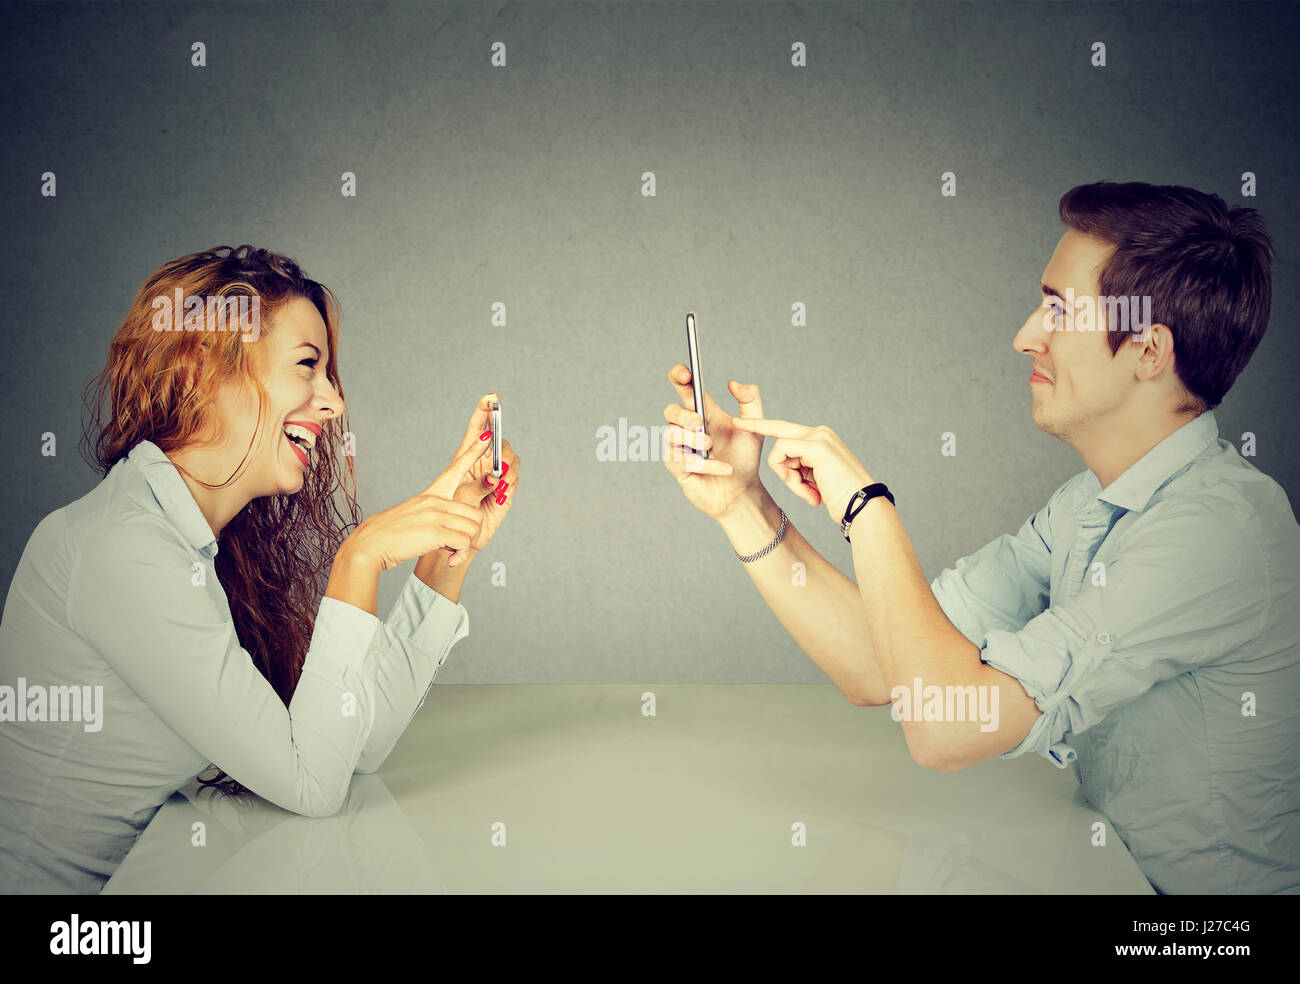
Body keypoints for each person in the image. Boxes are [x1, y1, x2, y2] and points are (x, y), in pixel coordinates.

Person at [662, 181, 1299, 894]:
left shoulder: (1217, 534)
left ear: (1148, 351)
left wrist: (868, 508)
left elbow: (944, 728)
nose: (1026, 334)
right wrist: (744, 505)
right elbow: (882, 666)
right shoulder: (1089, 504)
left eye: (1059, 310)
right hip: (1106, 872)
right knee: (863, 862)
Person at [0, 245, 520, 893]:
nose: (332, 403)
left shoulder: (193, 544)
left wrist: (449, 552)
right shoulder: (124, 548)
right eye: (308, 366)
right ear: (202, 372)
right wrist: (359, 558)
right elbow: (313, 786)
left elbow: (354, 748)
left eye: (330, 375)